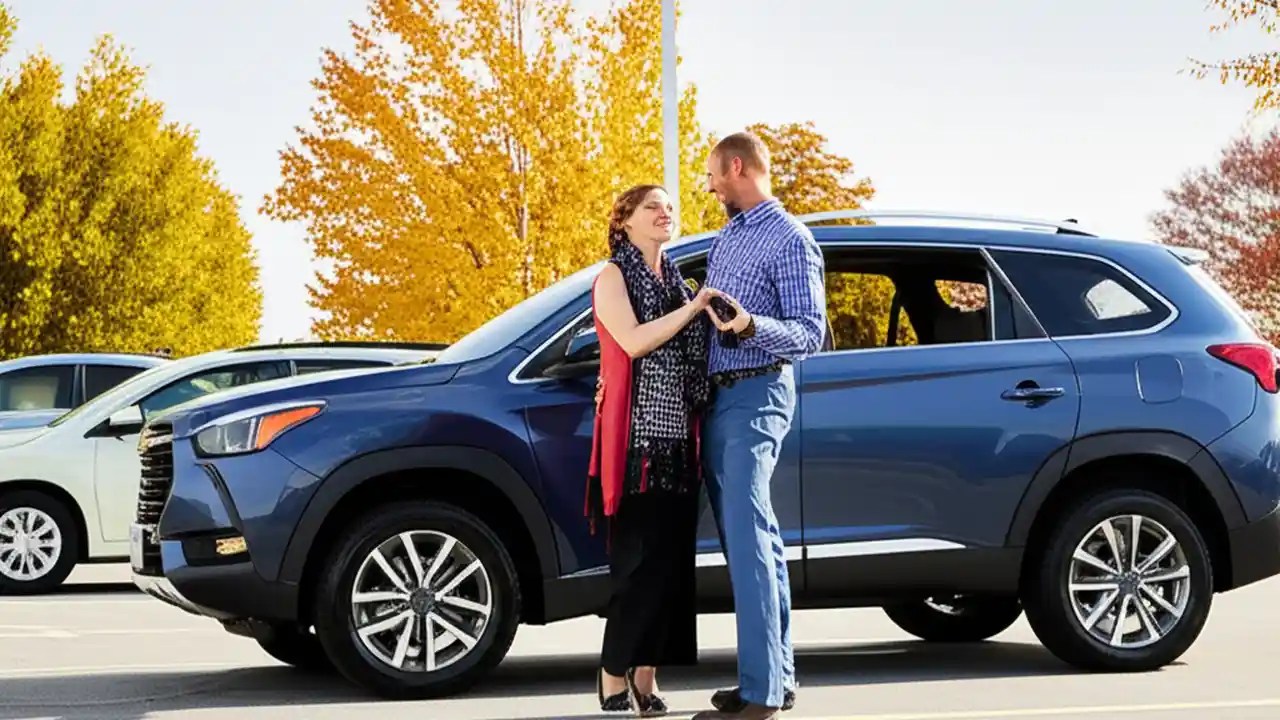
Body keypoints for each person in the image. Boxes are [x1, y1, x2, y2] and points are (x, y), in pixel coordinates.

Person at [691, 132, 827, 720]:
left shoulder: (790, 238)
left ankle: (761, 696)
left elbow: (810, 333)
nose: (711, 185)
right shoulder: (728, 237)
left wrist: (750, 327)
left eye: (714, 175)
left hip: (760, 391)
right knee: (755, 542)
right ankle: (775, 678)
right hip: (720, 401)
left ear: (738, 167)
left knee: (750, 538)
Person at [587, 183, 715, 717]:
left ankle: (647, 674)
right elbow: (634, 340)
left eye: (668, 207)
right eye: (651, 207)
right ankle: (612, 673)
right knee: (637, 565)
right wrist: (697, 309)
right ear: (625, 221)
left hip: (681, 438)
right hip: (637, 441)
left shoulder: (680, 283)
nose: (665, 213)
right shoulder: (613, 276)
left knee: (670, 568)